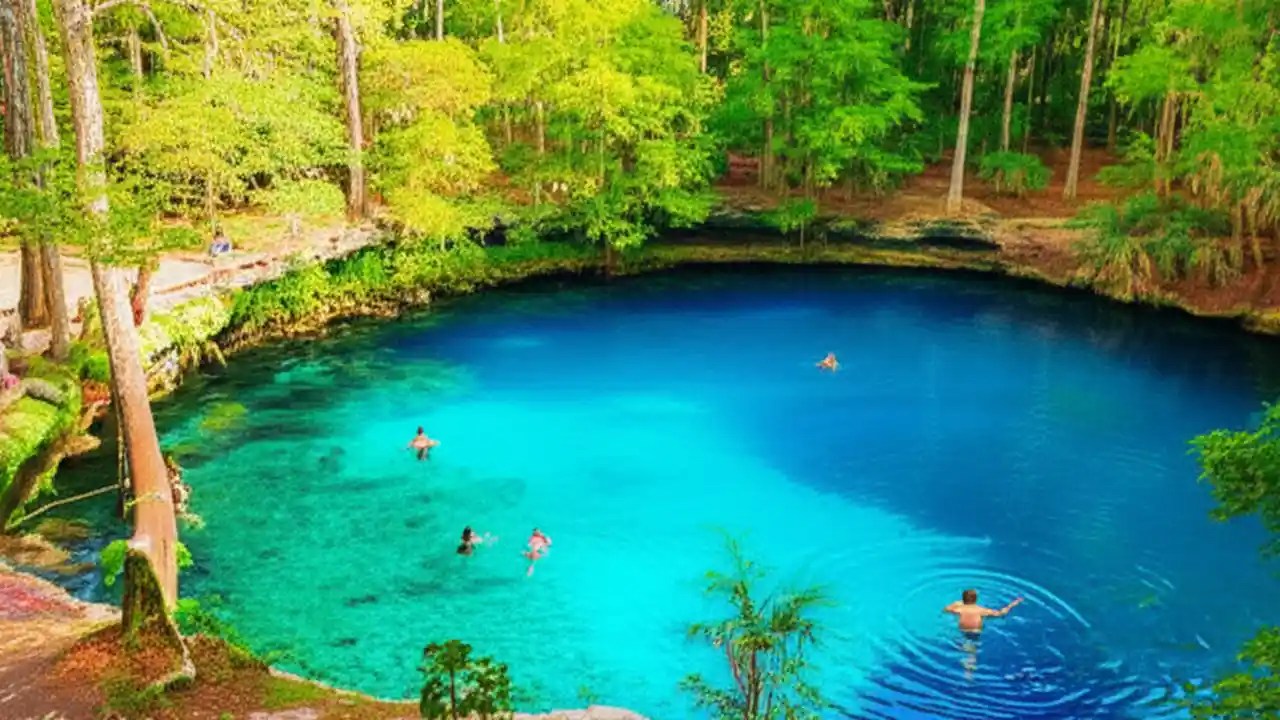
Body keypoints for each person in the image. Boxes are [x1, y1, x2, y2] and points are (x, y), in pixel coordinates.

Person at [943, 589, 1023, 634]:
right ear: (976, 599)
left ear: (963, 599)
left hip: (962, 629)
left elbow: (945, 610)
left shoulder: (959, 609)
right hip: (976, 631)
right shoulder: (982, 610)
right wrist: (1012, 604)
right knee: (972, 648)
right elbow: (1001, 613)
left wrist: (955, 603)